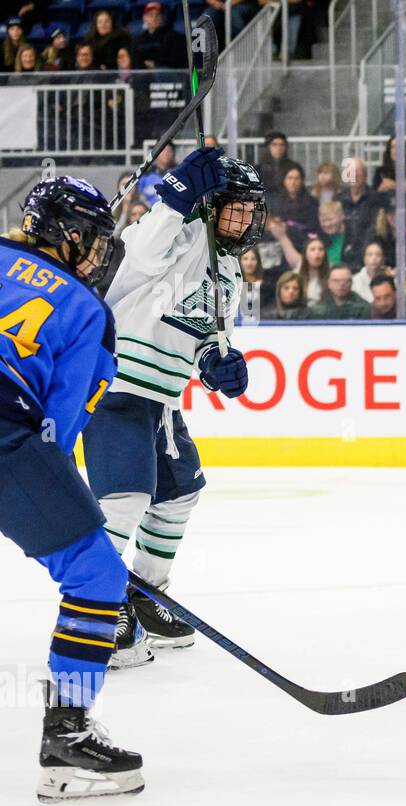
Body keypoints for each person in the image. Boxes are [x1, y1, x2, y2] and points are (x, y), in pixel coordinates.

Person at [0, 177, 147, 801]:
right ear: (65, 233)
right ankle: (68, 738)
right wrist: (68, 516)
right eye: (89, 238)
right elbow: (58, 431)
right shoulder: (89, 310)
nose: (94, 253)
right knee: (97, 577)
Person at [84, 149, 263, 655]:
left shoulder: (229, 270)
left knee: (180, 493)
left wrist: (216, 365)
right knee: (125, 502)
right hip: (118, 389)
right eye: (238, 207)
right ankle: (95, 606)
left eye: (253, 210)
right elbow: (138, 253)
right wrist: (176, 198)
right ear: (214, 204)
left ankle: (144, 592)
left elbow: (204, 333)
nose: (248, 219)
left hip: (162, 401)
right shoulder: (176, 231)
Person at [132, 2, 186, 69]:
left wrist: (156, 64)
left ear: (162, 18)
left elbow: (176, 60)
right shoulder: (139, 40)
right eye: (150, 15)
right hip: (143, 75)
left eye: (157, 15)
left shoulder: (173, 37)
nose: (154, 18)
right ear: (144, 18)